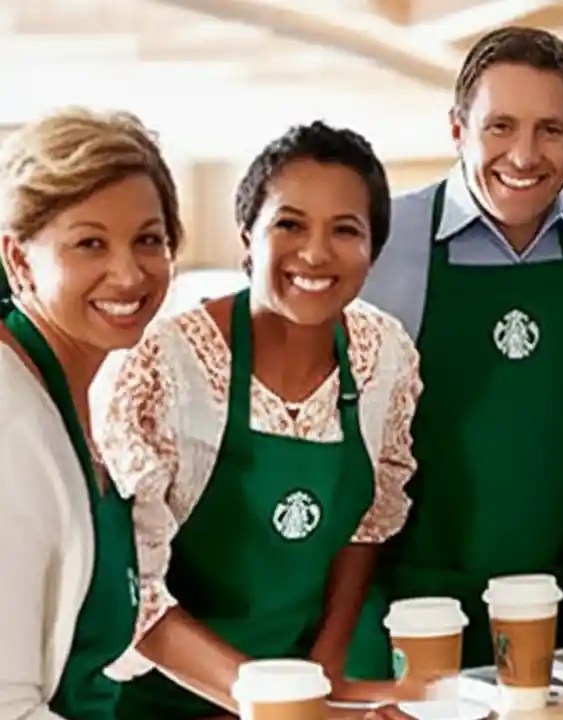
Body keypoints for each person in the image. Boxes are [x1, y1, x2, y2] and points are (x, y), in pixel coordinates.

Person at [95, 122, 422, 718]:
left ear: (373, 250)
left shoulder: (385, 357)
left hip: (296, 692)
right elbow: (129, 591)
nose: (316, 253)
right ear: (248, 236)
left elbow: (366, 525)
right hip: (164, 697)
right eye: (289, 224)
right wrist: (273, 700)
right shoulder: (166, 366)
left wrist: (323, 670)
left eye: (345, 230)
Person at [358, 26, 563, 667]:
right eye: (500, 126)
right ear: (457, 129)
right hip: (412, 620)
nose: (524, 154)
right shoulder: (380, 243)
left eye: (551, 129)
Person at [0, 108, 180, 718]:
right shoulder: (9, 425)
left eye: (148, 240)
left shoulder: (65, 391)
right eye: (90, 244)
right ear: (19, 261)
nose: (129, 273)